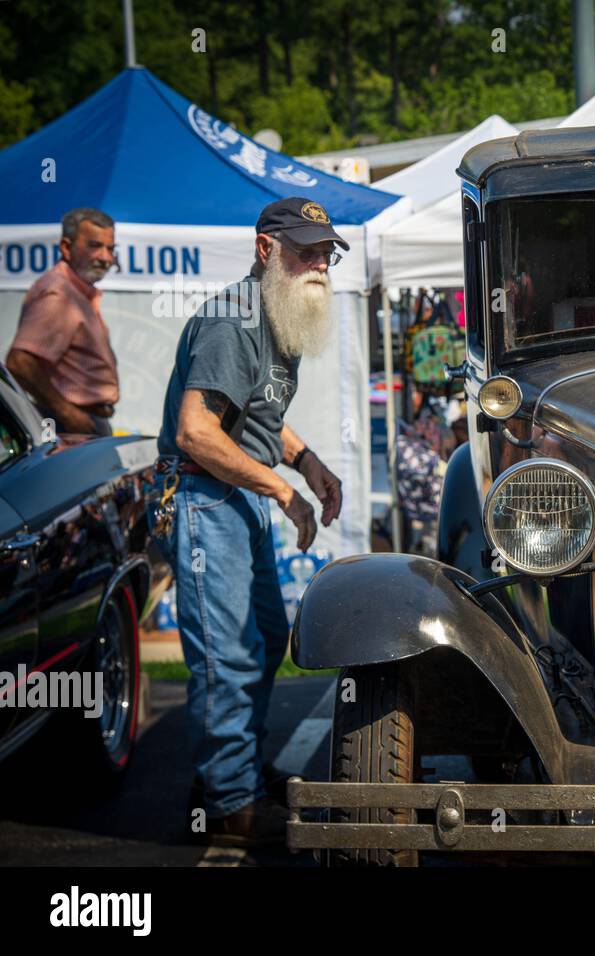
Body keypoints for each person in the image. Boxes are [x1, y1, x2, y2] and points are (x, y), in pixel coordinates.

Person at [154, 197, 345, 846]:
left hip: (235, 498)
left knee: (263, 639)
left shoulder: (269, 313)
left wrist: (306, 460)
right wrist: (283, 491)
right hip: (209, 500)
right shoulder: (232, 319)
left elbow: (255, 410)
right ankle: (229, 810)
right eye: (304, 252)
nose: (318, 265)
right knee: (228, 659)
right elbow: (196, 432)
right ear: (265, 250)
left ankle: (228, 778)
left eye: (325, 253)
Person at [5, 208, 119, 435]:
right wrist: (67, 412)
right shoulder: (58, 292)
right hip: (68, 424)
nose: (106, 257)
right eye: (95, 246)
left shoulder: (79, 291)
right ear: (66, 247)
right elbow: (19, 363)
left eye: (110, 249)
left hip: (84, 421)